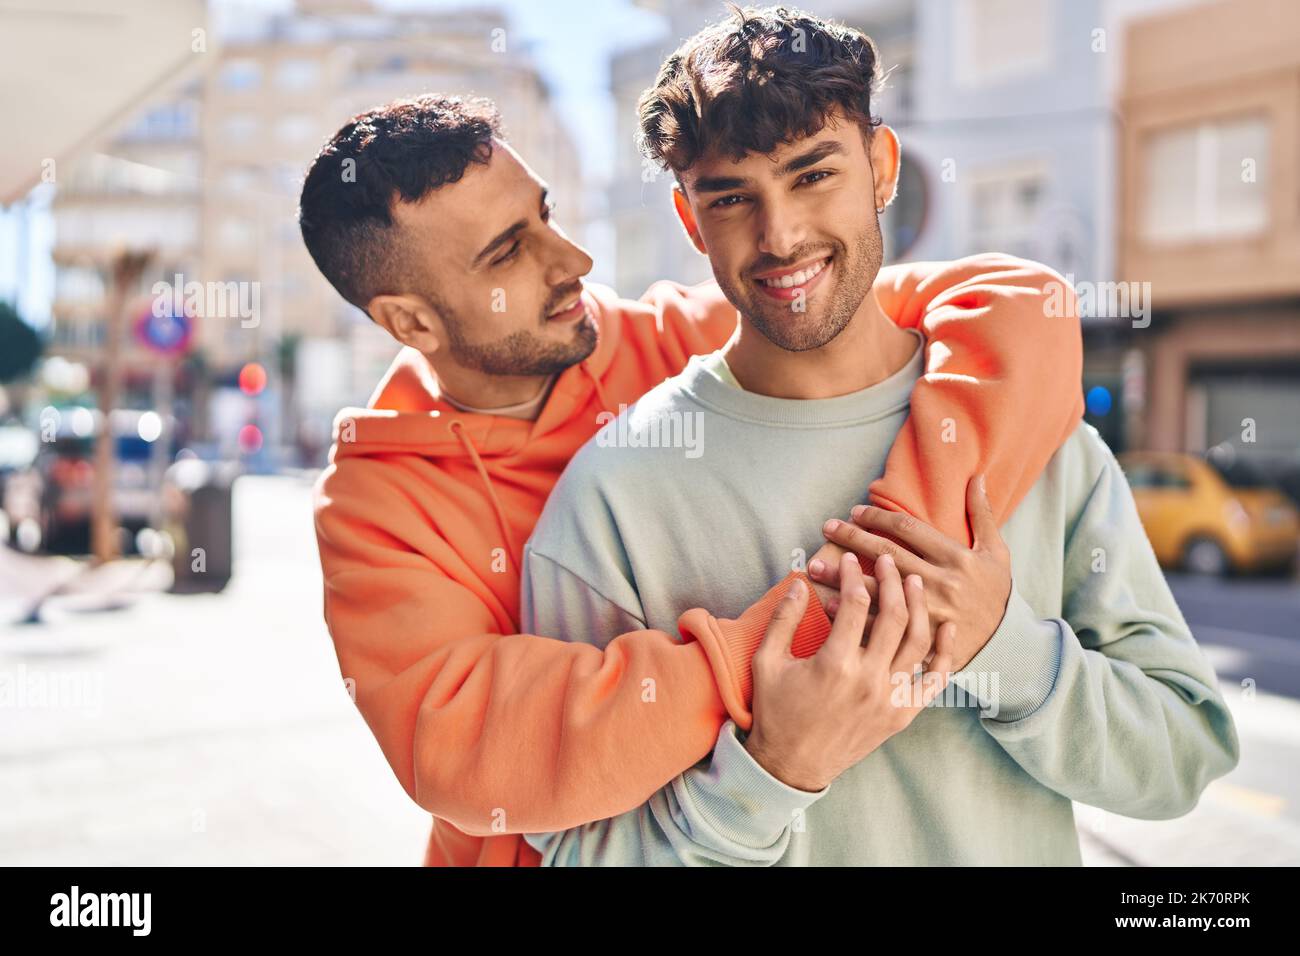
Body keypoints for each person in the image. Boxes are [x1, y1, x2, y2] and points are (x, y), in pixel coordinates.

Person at [519, 5, 1239, 865]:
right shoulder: (613, 497)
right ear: (688, 220)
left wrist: (1000, 650)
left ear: (882, 167)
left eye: (813, 174)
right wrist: (773, 771)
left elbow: (1183, 757)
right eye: (732, 197)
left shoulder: (1036, 438)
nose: (779, 235)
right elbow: (571, 849)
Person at [301, 89, 1084, 864]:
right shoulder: (371, 506)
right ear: (411, 323)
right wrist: (792, 649)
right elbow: (470, 749)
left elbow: (1018, 305)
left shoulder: (675, 341)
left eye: (545, 215)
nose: (573, 261)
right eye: (508, 251)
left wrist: (883, 566)